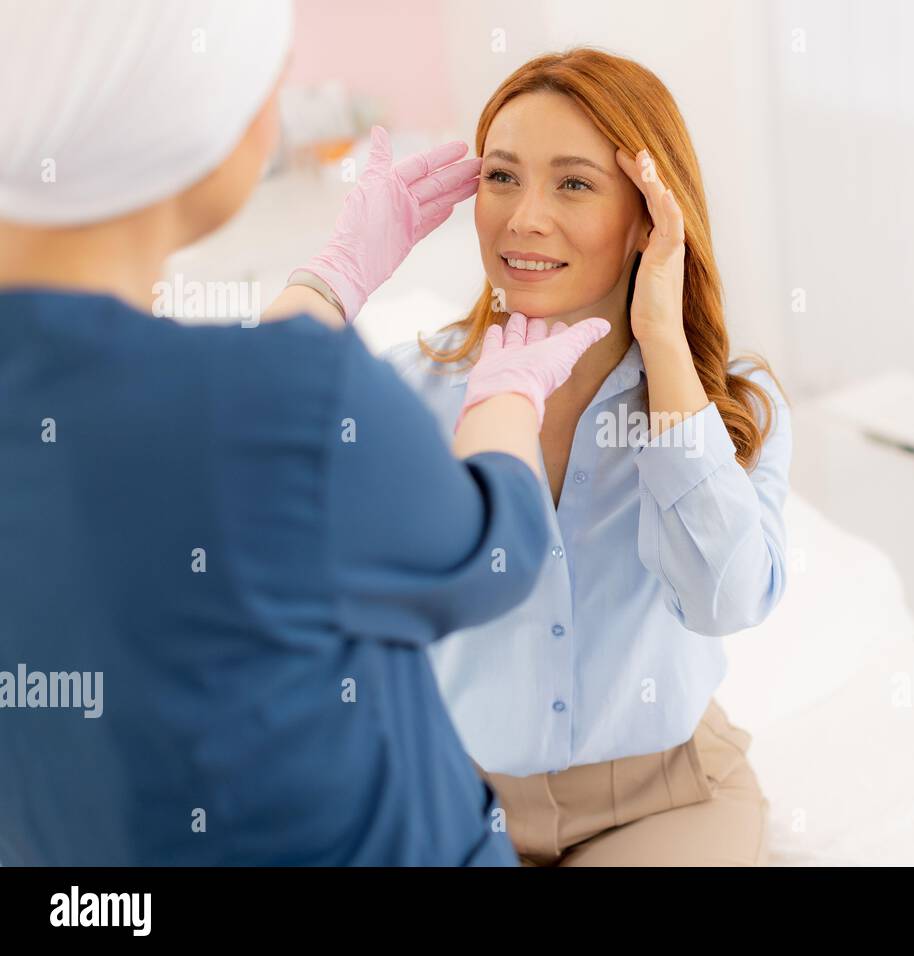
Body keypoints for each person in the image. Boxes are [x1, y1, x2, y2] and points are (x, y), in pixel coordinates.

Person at [0, 0, 607, 865]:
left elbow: (207, 448)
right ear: (207, 118)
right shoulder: (298, 402)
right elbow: (498, 552)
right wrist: (506, 397)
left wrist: (331, 280)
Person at [383, 48, 793, 866]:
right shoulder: (408, 391)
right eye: (501, 177)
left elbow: (726, 600)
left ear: (649, 214)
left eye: (573, 183)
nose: (524, 217)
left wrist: (664, 344)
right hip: (455, 794)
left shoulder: (737, 403)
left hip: (664, 799)